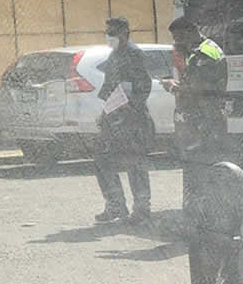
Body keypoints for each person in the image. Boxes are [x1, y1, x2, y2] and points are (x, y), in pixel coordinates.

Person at [161, 17, 228, 212]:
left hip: (204, 121)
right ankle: (203, 211)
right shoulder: (204, 49)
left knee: (200, 167)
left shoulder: (203, 54)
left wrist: (173, 87)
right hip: (207, 118)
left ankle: (202, 214)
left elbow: (196, 91)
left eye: (179, 37)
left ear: (191, 32)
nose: (176, 43)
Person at [94, 17, 155, 224]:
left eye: (112, 33)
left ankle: (142, 209)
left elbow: (143, 85)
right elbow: (110, 85)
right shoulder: (115, 54)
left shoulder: (134, 54)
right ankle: (116, 205)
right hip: (113, 115)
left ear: (124, 33)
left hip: (132, 117)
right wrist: (104, 112)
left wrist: (132, 106)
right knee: (102, 160)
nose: (108, 36)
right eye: (107, 32)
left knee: (134, 162)